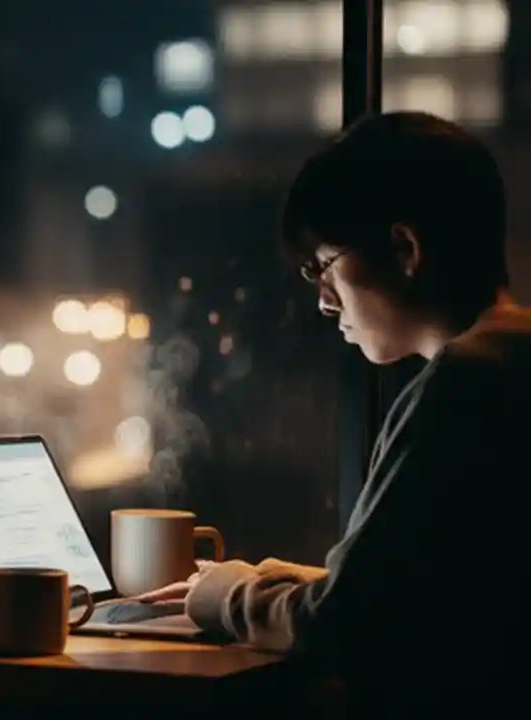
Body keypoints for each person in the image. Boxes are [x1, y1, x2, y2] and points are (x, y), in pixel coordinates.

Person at [136, 112, 531, 715]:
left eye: (325, 266)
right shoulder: (514, 353)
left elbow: (350, 626)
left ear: (404, 249)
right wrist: (291, 585)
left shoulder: (465, 383)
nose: (323, 300)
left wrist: (224, 597)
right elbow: (445, 600)